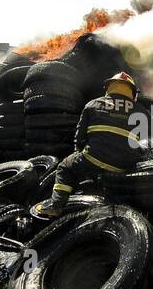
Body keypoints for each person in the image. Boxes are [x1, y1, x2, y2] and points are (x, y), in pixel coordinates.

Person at [34, 72, 142, 218]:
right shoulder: (141, 111)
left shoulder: (93, 104)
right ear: (132, 92)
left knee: (65, 167)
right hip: (125, 166)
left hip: (95, 158)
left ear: (109, 87)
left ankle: (56, 206)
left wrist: (80, 153)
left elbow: (79, 138)